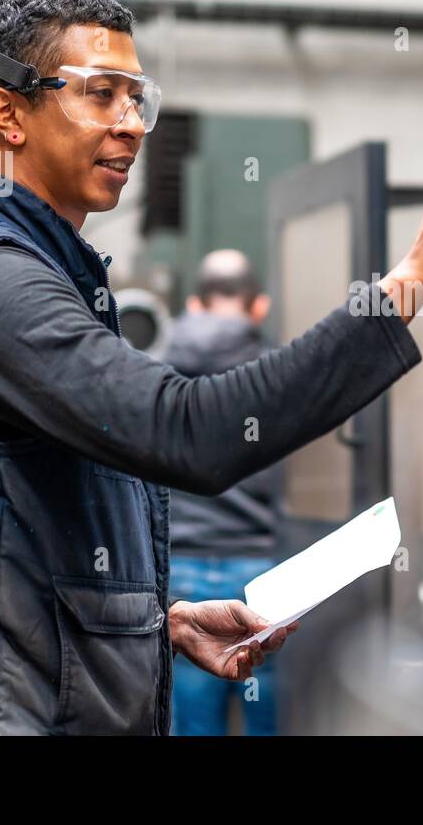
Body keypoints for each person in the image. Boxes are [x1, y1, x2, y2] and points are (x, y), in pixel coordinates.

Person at [0, 0, 423, 734]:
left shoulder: (48, 274)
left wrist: (156, 624)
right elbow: (188, 431)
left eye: (137, 98)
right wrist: (412, 279)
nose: (132, 124)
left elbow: (36, 543)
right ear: (9, 115)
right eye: (101, 95)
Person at [162, 250, 283, 735]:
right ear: (260, 308)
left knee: (192, 721)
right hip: (262, 570)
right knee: (267, 713)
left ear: (194, 305)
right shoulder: (280, 374)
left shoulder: (155, 373)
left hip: (182, 571)